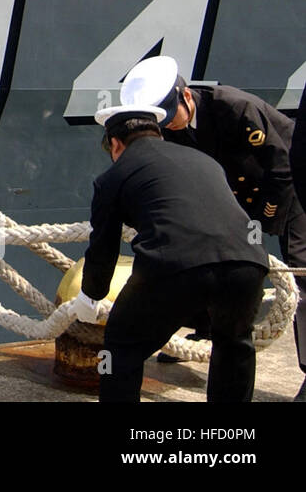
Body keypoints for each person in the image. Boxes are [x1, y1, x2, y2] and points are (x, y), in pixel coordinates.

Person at [119, 55, 306, 400]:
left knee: (301, 271)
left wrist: (261, 225)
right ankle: (201, 330)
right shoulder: (165, 131)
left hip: (288, 190)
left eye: (169, 113)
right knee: (201, 256)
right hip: (231, 199)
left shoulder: (235, 109)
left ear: (186, 96)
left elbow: (281, 170)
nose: (165, 126)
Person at [71, 103, 269, 402]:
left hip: (175, 268)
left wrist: (91, 296)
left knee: (122, 348)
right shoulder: (204, 160)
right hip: (247, 262)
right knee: (234, 344)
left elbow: (104, 247)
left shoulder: (113, 177)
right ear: (158, 133)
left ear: (115, 143)